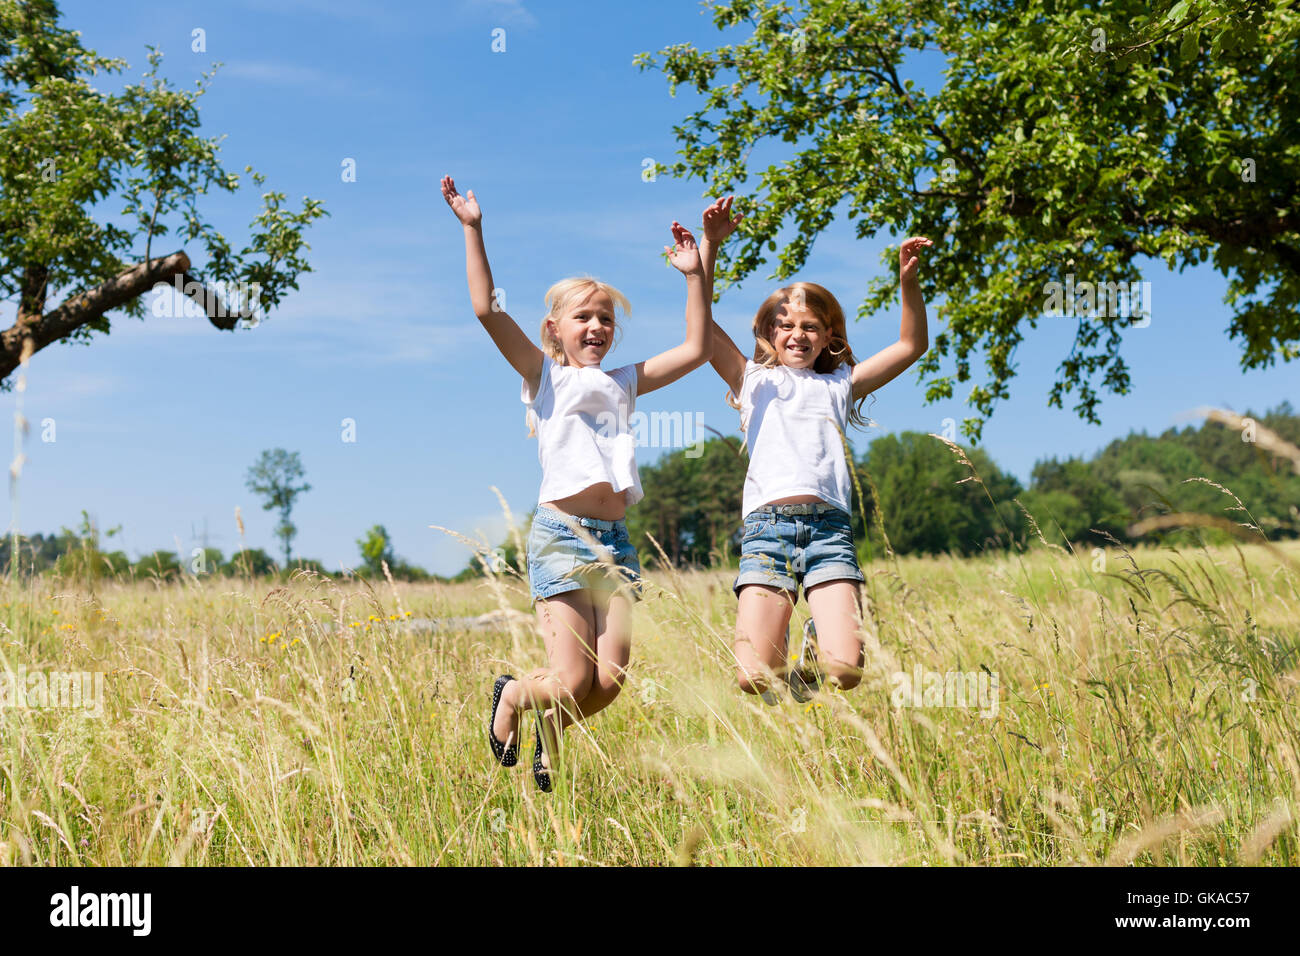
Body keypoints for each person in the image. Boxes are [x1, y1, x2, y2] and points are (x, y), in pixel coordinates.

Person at [441, 175, 711, 790]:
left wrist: (696, 273)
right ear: (555, 328)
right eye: (582, 317)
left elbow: (696, 348)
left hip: (614, 543)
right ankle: (513, 695)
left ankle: (550, 730)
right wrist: (472, 228)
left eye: (606, 318)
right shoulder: (545, 378)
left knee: (608, 683)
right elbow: (486, 309)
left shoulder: (625, 380)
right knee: (568, 681)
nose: (596, 326)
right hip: (562, 537)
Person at [698, 194, 933, 700]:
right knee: (752, 678)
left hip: (829, 531)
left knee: (846, 671)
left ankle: (813, 644)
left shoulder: (841, 383)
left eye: (809, 326)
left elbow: (912, 346)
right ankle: (783, 644)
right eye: (785, 325)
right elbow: (701, 327)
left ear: (828, 336)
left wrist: (908, 285)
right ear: (768, 333)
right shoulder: (751, 380)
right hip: (767, 533)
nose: (797, 334)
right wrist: (707, 251)